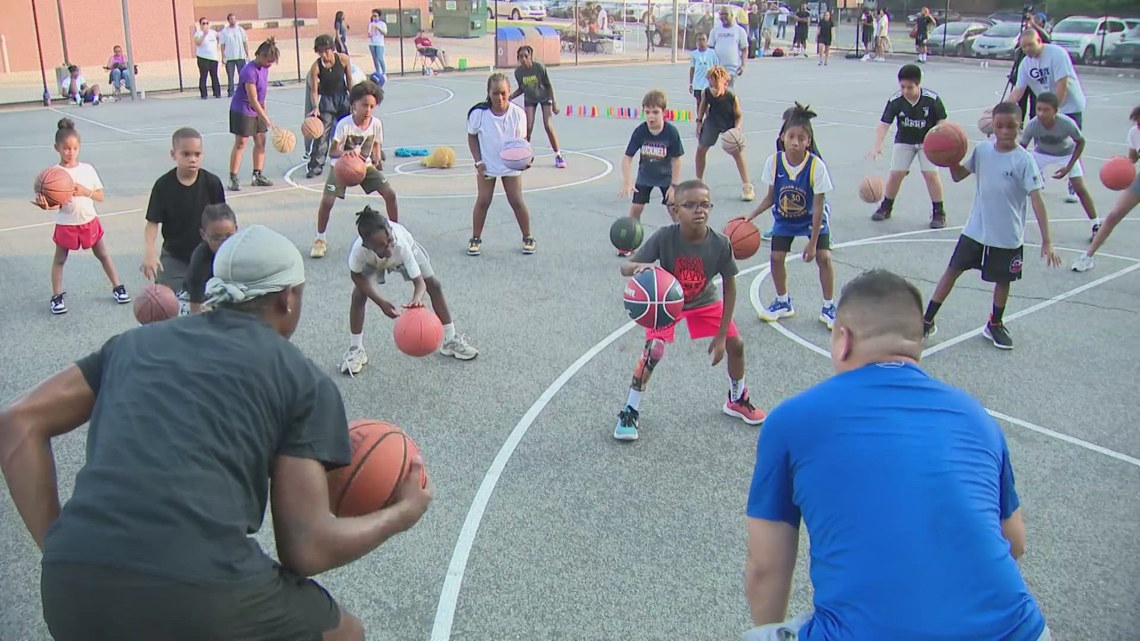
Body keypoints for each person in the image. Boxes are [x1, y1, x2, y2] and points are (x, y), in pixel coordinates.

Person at [0, 224, 432, 641]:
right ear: (287, 298)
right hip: (200, 593)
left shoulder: (131, 345)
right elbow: (307, 548)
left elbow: (17, 420)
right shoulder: (302, 380)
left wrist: (58, 546)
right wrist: (402, 514)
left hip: (70, 587)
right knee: (344, 633)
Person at [742, 269, 1050, 641]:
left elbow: (765, 567)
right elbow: (1014, 542)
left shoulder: (793, 419)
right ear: (916, 343)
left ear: (843, 340)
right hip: (1019, 631)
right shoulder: (977, 417)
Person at [613, 179, 766, 442]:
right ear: (675, 210)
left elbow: (730, 288)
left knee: (737, 344)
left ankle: (737, 398)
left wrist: (721, 335)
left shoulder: (720, 243)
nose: (699, 210)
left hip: (704, 300)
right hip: (668, 301)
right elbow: (625, 266)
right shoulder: (665, 237)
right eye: (691, 205)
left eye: (705, 205)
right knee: (654, 350)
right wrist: (639, 267)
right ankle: (630, 410)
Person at [922, 102, 1061, 350]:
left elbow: (1037, 200)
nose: (1005, 131)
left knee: (1002, 281)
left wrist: (1047, 240)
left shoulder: (1024, 161)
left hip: (1006, 235)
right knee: (951, 271)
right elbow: (958, 176)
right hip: (975, 230)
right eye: (1000, 126)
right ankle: (927, 320)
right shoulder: (983, 151)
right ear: (992, 127)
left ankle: (994, 324)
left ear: (1020, 126)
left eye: (1011, 126)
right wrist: (950, 157)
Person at [341, 206, 479, 375]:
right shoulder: (359, 251)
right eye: (382, 246)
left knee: (434, 285)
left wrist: (417, 299)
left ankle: (450, 339)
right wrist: (380, 302)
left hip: (404, 254)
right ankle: (356, 349)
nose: (389, 249)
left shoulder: (400, 244)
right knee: (358, 296)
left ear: (391, 232)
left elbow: (420, 282)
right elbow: (356, 276)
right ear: (367, 245)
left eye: (389, 240)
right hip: (372, 261)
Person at [746, 104, 836, 329]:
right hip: (785, 218)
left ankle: (829, 306)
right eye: (791, 136)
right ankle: (783, 302)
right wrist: (750, 216)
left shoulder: (816, 166)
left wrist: (813, 244)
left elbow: (818, 207)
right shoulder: (774, 162)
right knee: (776, 258)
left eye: (801, 138)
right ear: (782, 137)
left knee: (824, 257)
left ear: (808, 141)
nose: (795, 142)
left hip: (811, 218)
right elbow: (771, 197)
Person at [32, 118, 130, 314]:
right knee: (59, 260)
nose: (70, 152)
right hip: (66, 223)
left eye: (74, 148)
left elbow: (100, 196)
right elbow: (56, 205)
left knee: (103, 254)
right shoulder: (53, 175)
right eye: (66, 148)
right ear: (57, 148)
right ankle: (56, 297)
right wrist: (46, 206)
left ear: (79, 147)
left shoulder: (87, 170)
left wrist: (86, 191)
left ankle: (117, 286)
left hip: (89, 220)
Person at [309, 80, 398, 260]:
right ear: (353, 105)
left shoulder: (376, 124)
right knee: (327, 201)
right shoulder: (345, 124)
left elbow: (377, 145)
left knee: (390, 194)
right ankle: (320, 239)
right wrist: (346, 153)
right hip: (342, 167)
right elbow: (332, 151)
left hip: (364, 167)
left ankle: (395, 232)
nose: (368, 110)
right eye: (364, 105)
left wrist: (377, 158)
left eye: (372, 106)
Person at [1005, 29, 1087, 204]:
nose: (1027, 49)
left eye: (1030, 45)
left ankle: (1073, 183)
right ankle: (1037, 178)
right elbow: (1019, 90)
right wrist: (1003, 109)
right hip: (1045, 109)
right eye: (1023, 47)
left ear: (1039, 41)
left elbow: (1062, 84)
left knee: (1072, 146)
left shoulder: (1056, 54)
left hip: (1069, 106)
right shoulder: (1025, 64)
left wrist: (1055, 112)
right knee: (1040, 145)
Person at [143, 127, 227, 299]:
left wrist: (226, 248)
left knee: (212, 298)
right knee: (164, 300)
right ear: (173, 154)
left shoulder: (212, 183)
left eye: (197, 154)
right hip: (175, 255)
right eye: (186, 154)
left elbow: (222, 219)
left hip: (208, 252)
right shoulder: (163, 185)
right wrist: (149, 252)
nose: (192, 159)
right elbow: (152, 223)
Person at [866, 64, 949, 228]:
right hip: (904, 140)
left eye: (909, 87)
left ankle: (939, 212)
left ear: (918, 85)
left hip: (927, 142)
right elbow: (884, 124)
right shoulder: (896, 100)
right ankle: (886, 207)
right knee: (896, 174)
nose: (905, 91)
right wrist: (877, 145)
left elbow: (942, 121)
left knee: (931, 174)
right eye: (902, 87)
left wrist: (939, 136)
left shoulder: (932, 99)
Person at [466, 73, 536, 256]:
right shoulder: (478, 113)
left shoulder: (518, 114)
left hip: (510, 165)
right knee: (483, 201)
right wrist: (478, 162)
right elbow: (472, 136)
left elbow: (522, 142)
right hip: (488, 165)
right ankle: (475, 238)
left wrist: (526, 159)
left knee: (516, 201)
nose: (500, 98)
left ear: (509, 91)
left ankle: (528, 237)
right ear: (488, 93)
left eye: (503, 93)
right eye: (495, 93)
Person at [1019, 92, 1099, 240]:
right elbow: (1021, 149)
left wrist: (1068, 167)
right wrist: (1024, 170)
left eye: (1046, 110)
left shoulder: (1066, 123)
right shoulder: (1033, 125)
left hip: (1066, 154)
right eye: (1039, 109)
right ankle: (1013, 224)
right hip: (1041, 153)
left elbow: (1080, 142)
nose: (1041, 113)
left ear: (1055, 111)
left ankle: (1096, 225)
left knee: (1080, 188)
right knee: (1020, 187)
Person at [1072, 106, 1140, 273]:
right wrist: (1118, 164)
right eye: (1138, 123)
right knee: (1113, 215)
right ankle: (1087, 257)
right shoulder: (1134, 133)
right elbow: (1132, 158)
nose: (1138, 126)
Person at [618, 89, 684, 256]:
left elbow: (677, 160)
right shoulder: (640, 131)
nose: (651, 117)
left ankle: (684, 241)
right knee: (636, 208)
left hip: (666, 177)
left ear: (664, 112)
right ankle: (630, 242)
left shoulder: (671, 132)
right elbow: (627, 158)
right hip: (645, 176)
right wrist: (627, 181)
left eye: (655, 112)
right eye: (647, 112)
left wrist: (674, 186)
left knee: (673, 209)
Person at [227, 37, 279, 192]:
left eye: (272, 61)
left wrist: (264, 111)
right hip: (242, 109)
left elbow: (262, 94)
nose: (270, 64)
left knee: (261, 141)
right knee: (241, 143)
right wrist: (266, 119)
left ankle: (257, 175)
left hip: (257, 109)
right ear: (260, 55)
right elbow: (252, 99)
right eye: (268, 60)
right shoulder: (248, 71)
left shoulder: (265, 69)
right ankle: (233, 178)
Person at [695, 66, 754, 202]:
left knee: (737, 152)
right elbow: (702, 107)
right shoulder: (706, 93)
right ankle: (699, 182)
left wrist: (737, 129)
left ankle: (747, 186)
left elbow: (739, 116)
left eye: (716, 87)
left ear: (725, 84)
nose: (713, 90)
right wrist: (699, 122)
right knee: (701, 149)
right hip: (713, 121)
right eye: (711, 86)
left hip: (728, 122)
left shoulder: (731, 97)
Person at [306, 35, 354, 179]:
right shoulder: (316, 67)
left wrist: (353, 100)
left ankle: (352, 160)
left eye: (326, 50)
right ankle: (316, 165)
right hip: (327, 101)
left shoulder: (343, 59)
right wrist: (315, 107)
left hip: (343, 98)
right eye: (320, 51)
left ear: (332, 49)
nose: (324, 54)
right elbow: (314, 91)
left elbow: (349, 81)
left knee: (348, 130)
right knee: (322, 134)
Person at [511, 46, 567, 169]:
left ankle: (558, 155)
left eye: (526, 56)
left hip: (544, 97)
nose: (523, 59)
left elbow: (548, 85)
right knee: (528, 127)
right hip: (530, 98)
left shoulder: (539, 68)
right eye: (520, 57)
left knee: (548, 125)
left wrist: (554, 103)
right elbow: (522, 88)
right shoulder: (518, 73)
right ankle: (525, 155)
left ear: (531, 56)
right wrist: (510, 97)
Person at [185, 203, 239, 314]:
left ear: (236, 230)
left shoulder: (244, 252)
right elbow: (195, 309)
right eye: (215, 238)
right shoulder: (200, 259)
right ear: (203, 235)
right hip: (203, 298)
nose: (223, 243)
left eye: (229, 236)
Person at [709, 8, 748, 81]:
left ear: (732, 15)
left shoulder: (739, 30)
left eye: (726, 14)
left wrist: (743, 65)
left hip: (732, 69)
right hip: (717, 69)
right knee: (718, 88)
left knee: (728, 88)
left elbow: (744, 49)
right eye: (721, 14)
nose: (723, 16)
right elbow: (710, 49)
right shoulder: (715, 31)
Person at [219, 13, 250, 98]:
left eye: (234, 19)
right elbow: (222, 45)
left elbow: (245, 42)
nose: (233, 20)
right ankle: (231, 92)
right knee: (230, 76)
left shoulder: (240, 30)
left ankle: (243, 91)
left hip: (240, 56)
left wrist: (247, 54)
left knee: (242, 75)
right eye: (231, 19)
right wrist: (223, 56)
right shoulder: (224, 31)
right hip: (229, 58)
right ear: (228, 20)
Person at [688, 33, 720, 111]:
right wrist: (691, 83)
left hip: (709, 83)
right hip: (698, 83)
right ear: (696, 41)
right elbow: (692, 68)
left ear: (707, 41)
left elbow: (717, 67)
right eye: (699, 40)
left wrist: (717, 82)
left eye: (703, 39)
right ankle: (699, 117)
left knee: (707, 103)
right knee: (699, 102)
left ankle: (709, 118)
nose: (701, 42)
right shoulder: (694, 54)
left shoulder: (712, 53)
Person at [193, 17, 221, 99]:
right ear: (200, 25)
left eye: (207, 23)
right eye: (203, 23)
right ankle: (204, 94)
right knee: (203, 76)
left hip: (213, 58)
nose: (205, 25)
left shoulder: (213, 32)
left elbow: (218, 38)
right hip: (203, 58)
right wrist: (204, 35)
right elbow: (198, 43)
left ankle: (217, 93)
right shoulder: (198, 33)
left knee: (214, 75)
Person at [368, 10, 388, 77]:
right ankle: (377, 71)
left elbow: (385, 33)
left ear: (379, 16)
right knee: (375, 59)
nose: (374, 17)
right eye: (373, 16)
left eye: (375, 16)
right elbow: (369, 33)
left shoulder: (382, 24)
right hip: (372, 43)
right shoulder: (371, 24)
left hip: (379, 43)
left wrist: (378, 28)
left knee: (380, 58)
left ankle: (384, 72)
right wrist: (370, 34)